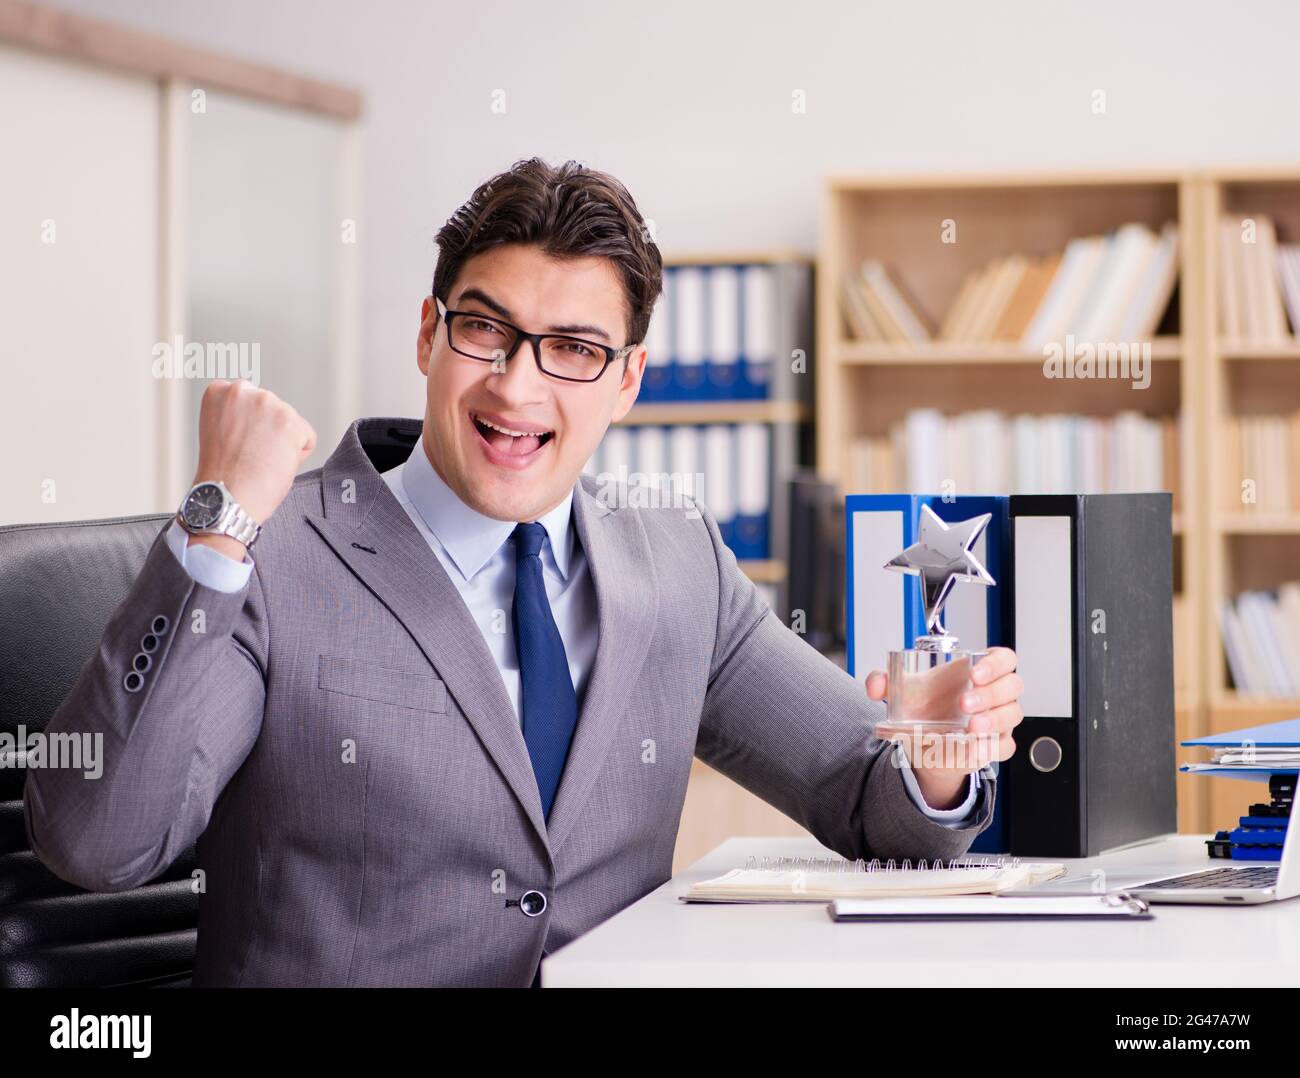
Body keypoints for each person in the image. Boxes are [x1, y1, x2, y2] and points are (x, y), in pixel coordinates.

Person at [25, 158, 1023, 987]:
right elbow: (100, 841)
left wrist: (930, 757)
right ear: (429, 333)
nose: (516, 383)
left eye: (574, 350)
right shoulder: (272, 552)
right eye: (484, 329)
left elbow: (868, 803)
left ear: (629, 379)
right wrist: (216, 522)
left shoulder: (675, 558)